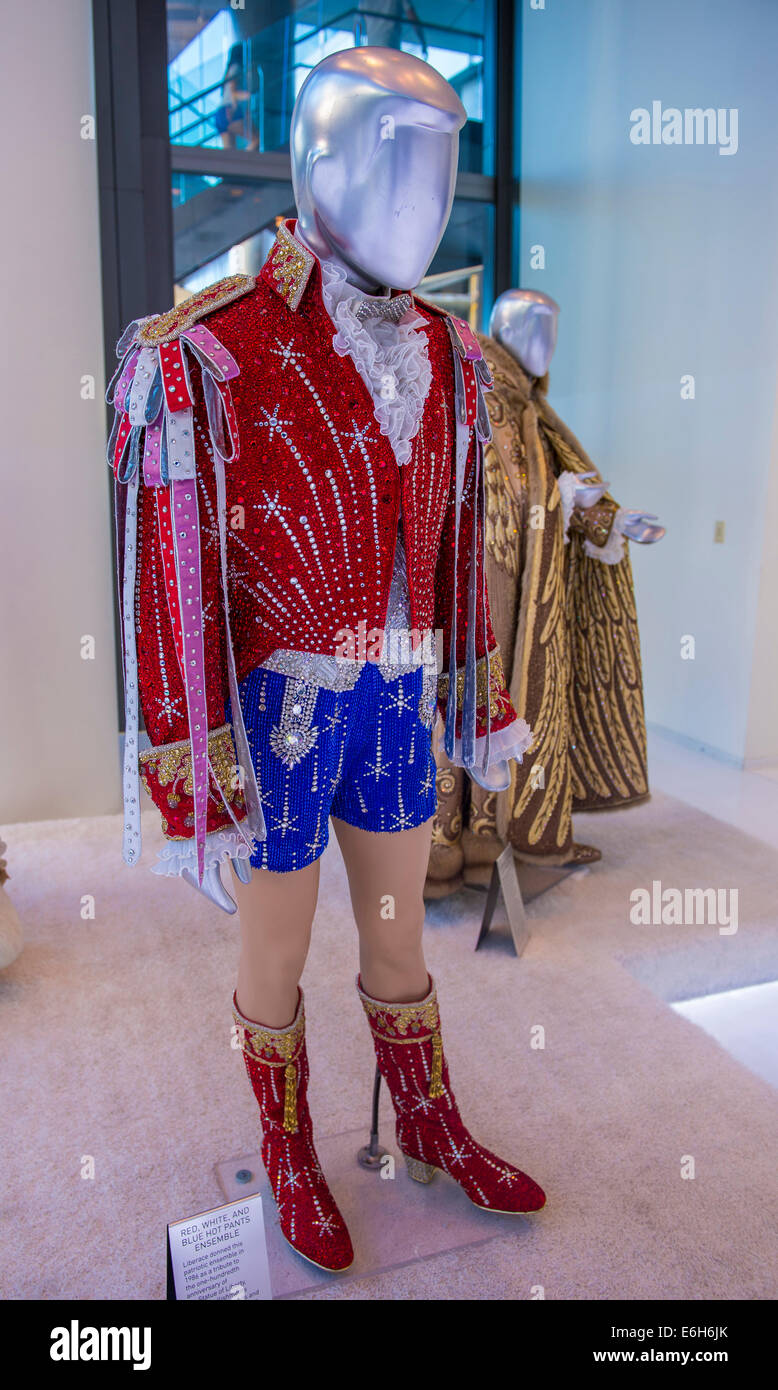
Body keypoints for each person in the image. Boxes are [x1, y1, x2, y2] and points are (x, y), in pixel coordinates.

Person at [108, 47, 545, 1274]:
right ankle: (288, 1150)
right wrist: (187, 754)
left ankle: (428, 1122)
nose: (420, 192)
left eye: (440, 163)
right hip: (278, 712)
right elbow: (172, 577)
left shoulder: (456, 361)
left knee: (399, 933)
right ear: (317, 163)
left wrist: (478, 689)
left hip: (400, 696)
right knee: (278, 950)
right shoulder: (211, 353)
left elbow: (459, 542)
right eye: (390, 159)